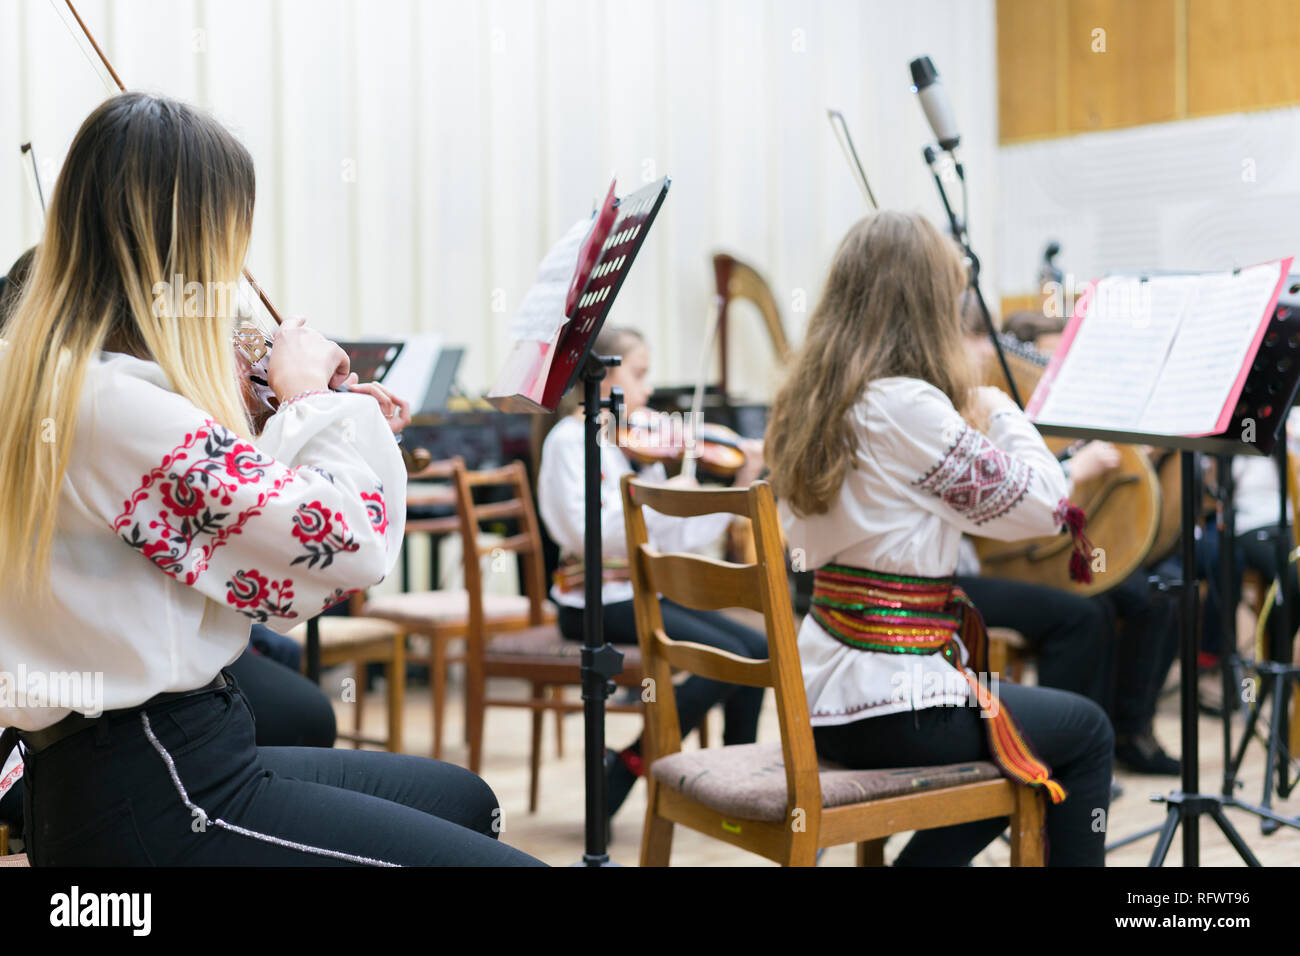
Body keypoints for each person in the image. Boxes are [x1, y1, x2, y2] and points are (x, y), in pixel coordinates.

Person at [0, 92, 542, 866]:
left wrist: (307, 417)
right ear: (183, 251)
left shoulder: (53, 377)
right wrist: (313, 401)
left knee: (466, 803)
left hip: (128, 766)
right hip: (158, 796)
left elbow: (223, 531)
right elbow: (340, 551)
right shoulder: (111, 406)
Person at [765, 210, 1114, 866]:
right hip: (886, 707)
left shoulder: (810, 398)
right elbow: (1047, 507)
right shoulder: (905, 405)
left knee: (1038, 748)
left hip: (820, 697)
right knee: (1085, 733)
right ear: (930, 307)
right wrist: (998, 404)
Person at [537, 325, 769, 820]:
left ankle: (739, 779)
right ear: (605, 373)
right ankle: (634, 762)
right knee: (727, 655)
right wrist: (658, 503)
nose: (648, 391)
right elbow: (586, 533)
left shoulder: (641, 445)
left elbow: (676, 537)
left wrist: (740, 483)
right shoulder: (568, 442)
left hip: (643, 594)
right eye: (640, 375)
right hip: (593, 602)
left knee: (759, 650)